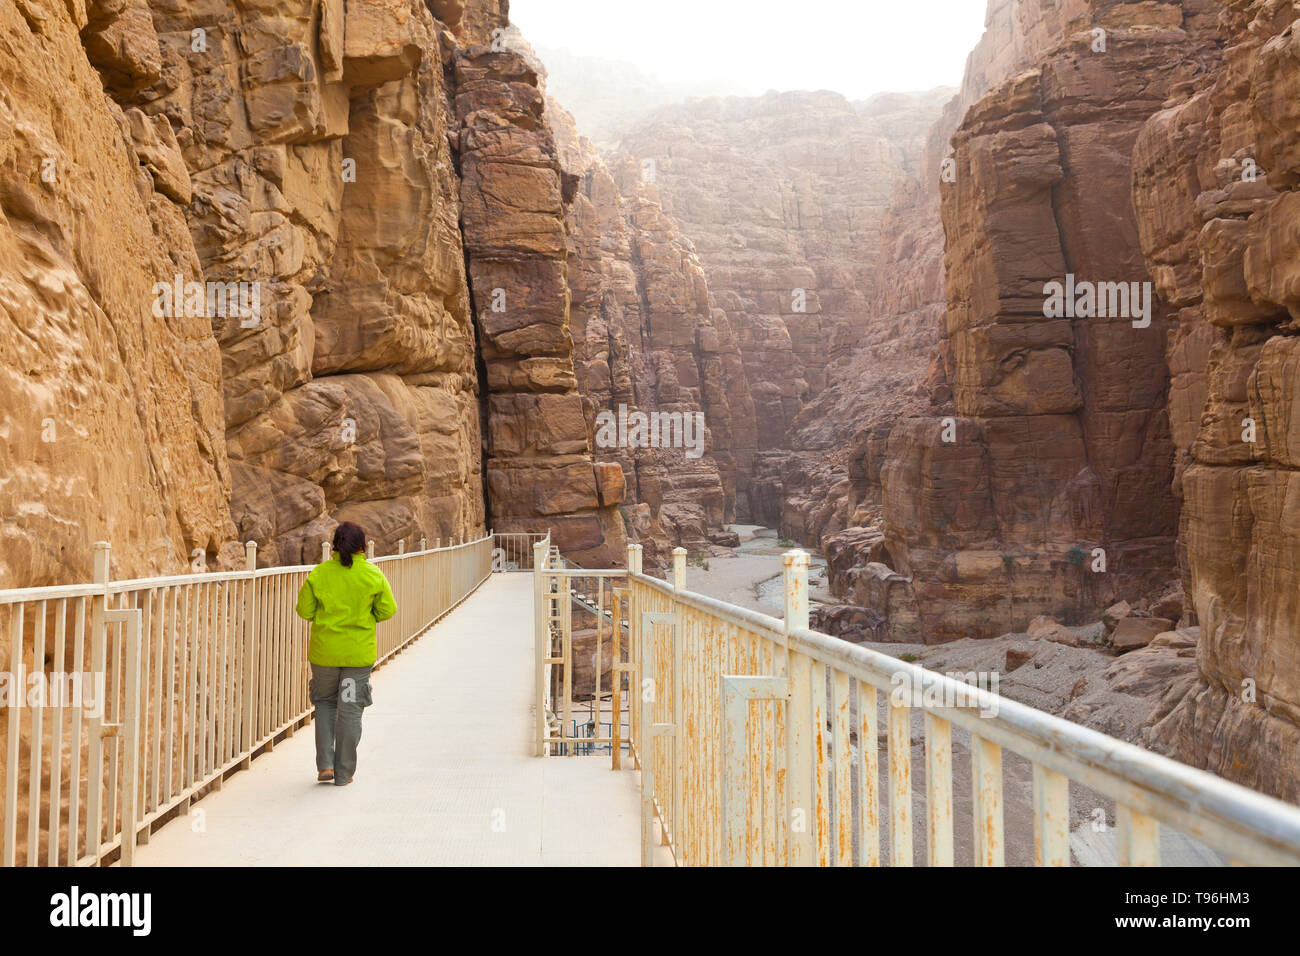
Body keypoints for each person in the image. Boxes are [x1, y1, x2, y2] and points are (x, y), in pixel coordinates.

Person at [294, 522, 397, 786]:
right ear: (363, 545)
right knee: (350, 709)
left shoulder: (320, 573)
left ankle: (325, 765)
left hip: (325, 655)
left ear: (336, 546)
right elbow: (388, 610)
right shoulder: (372, 575)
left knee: (326, 704)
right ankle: (343, 773)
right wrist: (365, 618)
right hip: (356, 656)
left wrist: (326, 618)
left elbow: (304, 610)